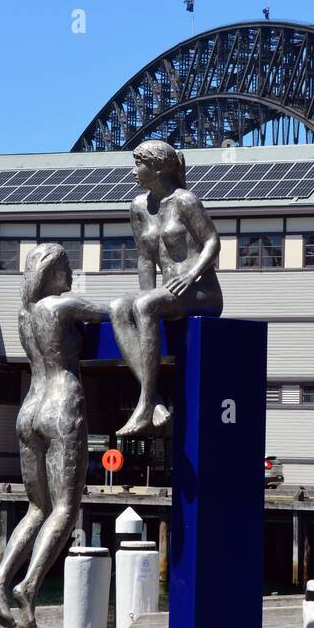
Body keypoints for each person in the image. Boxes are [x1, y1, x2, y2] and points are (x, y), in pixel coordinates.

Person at [0, 244, 110, 628]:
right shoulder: (63, 306)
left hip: (29, 408)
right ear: (52, 273)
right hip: (61, 407)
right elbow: (112, 312)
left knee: (37, 507)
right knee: (66, 510)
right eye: (67, 267)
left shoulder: (23, 316)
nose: (71, 274)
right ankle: (29, 586)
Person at [110, 139, 222, 436]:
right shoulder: (138, 207)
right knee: (119, 306)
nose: (133, 171)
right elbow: (145, 260)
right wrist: (147, 293)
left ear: (158, 168)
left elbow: (212, 240)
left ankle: (144, 404)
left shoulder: (185, 200)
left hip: (200, 292)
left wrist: (193, 274)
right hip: (169, 295)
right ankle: (155, 401)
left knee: (144, 306)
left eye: (139, 164)